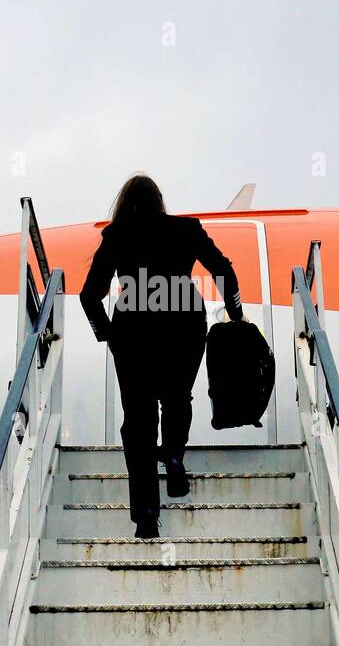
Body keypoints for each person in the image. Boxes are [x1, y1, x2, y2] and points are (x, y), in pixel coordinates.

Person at [79, 174, 246, 539]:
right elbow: (224, 270)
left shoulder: (116, 235)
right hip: (184, 325)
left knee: (137, 420)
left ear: (124, 203)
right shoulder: (186, 231)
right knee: (176, 397)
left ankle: (146, 517)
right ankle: (172, 456)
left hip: (133, 331)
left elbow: (89, 296)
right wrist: (236, 316)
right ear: (159, 202)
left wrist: (105, 333)